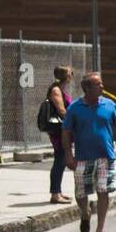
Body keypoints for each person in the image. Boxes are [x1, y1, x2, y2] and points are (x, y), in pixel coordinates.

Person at [62, 72, 116, 232]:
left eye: (101, 83)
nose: (102, 86)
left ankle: (100, 229)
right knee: (81, 192)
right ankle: (85, 213)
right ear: (87, 88)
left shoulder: (110, 105)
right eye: (98, 84)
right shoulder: (75, 108)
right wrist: (68, 155)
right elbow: (66, 131)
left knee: (103, 190)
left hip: (106, 157)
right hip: (82, 158)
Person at [45, 66, 74, 204]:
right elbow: (62, 111)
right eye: (70, 74)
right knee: (59, 161)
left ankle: (58, 191)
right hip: (59, 131)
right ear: (65, 76)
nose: (72, 76)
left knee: (61, 161)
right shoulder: (56, 90)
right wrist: (73, 122)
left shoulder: (59, 89)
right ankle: (55, 194)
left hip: (63, 129)